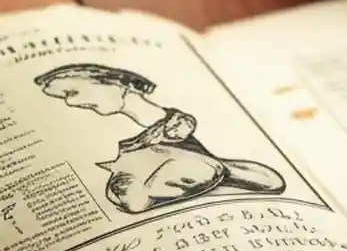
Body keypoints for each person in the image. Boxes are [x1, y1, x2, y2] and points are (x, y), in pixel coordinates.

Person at [34, 63, 285, 214]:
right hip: (160, 163)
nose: (71, 102)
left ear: (116, 82)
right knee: (126, 196)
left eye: (72, 92)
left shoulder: (172, 124)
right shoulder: (123, 138)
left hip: (181, 159)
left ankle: (213, 172)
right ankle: (212, 173)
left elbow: (178, 128)